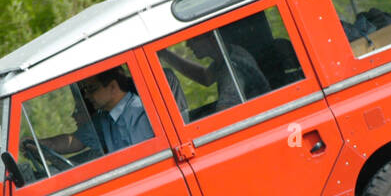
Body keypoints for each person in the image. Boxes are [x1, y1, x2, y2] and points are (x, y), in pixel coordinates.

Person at [21, 67, 154, 163]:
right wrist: (39, 144)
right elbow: (75, 141)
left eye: (92, 89)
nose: (87, 95)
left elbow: (146, 161)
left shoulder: (139, 113)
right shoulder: (105, 117)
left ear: (113, 87)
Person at [160, 30, 269, 117]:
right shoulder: (228, 55)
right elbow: (204, 77)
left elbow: (225, 113)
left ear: (212, 37)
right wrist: (165, 54)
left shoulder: (232, 69)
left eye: (192, 38)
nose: (188, 44)